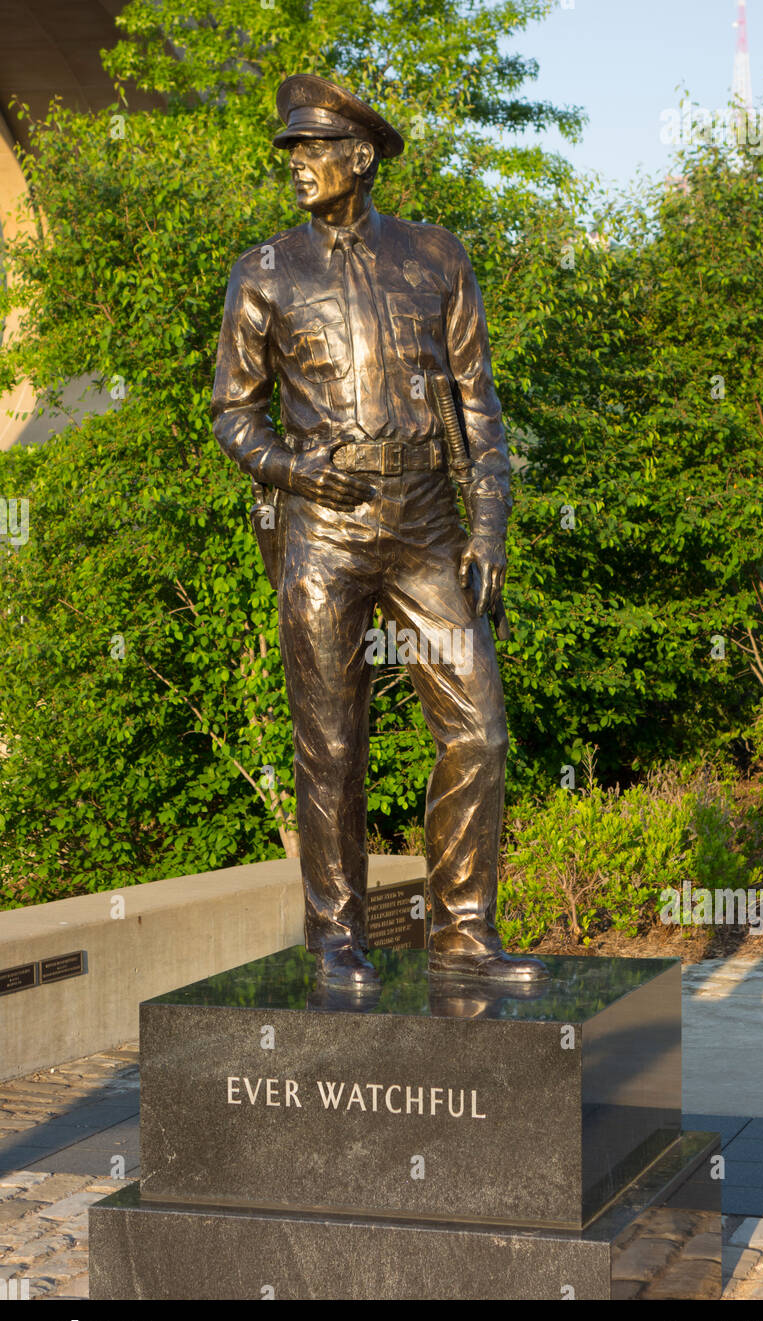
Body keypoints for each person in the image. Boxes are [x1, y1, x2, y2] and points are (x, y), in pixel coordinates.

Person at [211, 74, 547, 988]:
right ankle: (337, 939)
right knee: (330, 740)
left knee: (478, 728)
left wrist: (489, 529)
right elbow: (232, 417)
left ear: (358, 159)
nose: (296, 166)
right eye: (290, 152)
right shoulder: (265, 271)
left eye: (312, 150)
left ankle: (465, 933)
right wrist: (291, 470)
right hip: (323, 525)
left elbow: (480, 407)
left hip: (429, 520)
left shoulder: (437, 257)